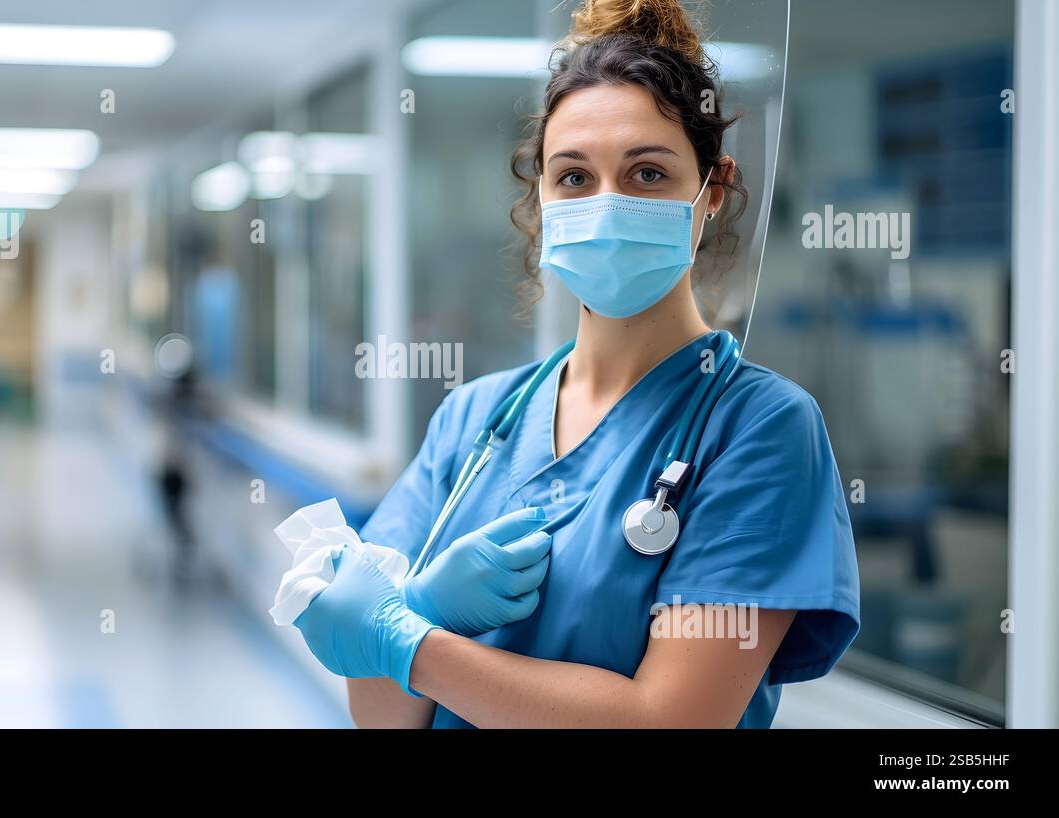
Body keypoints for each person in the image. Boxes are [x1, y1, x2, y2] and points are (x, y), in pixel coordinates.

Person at [290, 0, 860, 728]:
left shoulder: (760, 428)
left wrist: (409, 638)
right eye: (574, 178)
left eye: (648, 174)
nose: (607, 204)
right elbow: (383, 718)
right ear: (543, 197)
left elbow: (668, 721)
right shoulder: (473, 420)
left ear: (711, 190)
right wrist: (425, 607)